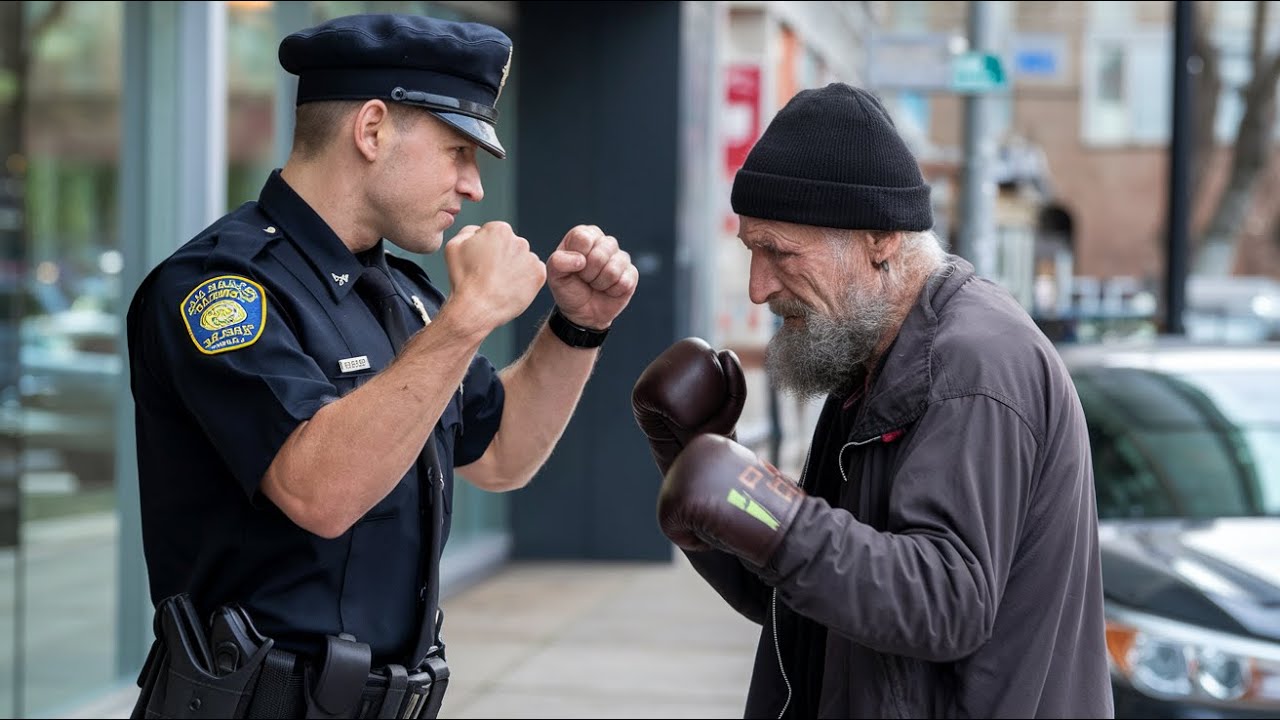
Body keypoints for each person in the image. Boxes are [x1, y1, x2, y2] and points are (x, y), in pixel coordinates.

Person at [126, 13, 636, 719]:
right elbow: (320, 491)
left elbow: (501, 454)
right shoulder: (222, 289)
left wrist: (578, 325)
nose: (474, 188)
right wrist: (470, 316)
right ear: (371, 130)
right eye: (458, 151)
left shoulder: (402, 295)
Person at [632, 83, 1114, 718]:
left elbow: (947, 600)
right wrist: (694, 464)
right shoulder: (873, 359)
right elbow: (804, 596)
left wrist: (776, 516)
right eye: (752, 250)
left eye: (778, 252)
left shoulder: (971, 365)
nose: (758, 288)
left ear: (881, 238)